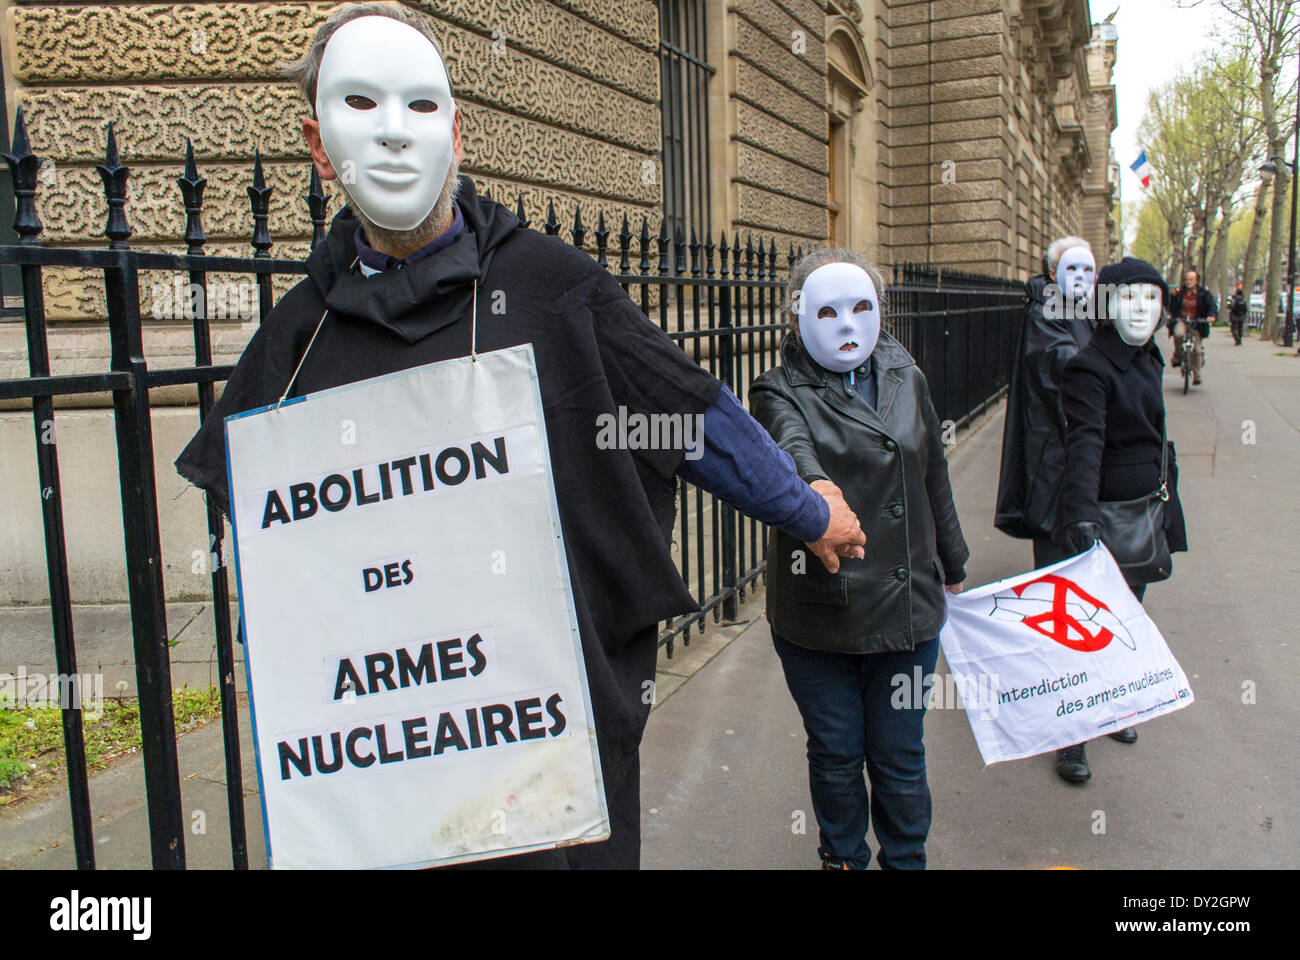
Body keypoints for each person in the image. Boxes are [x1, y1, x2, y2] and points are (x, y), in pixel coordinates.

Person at [174, 3, 868, 869]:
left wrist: (806, 510)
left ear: (456, 133)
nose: (393, 135)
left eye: (420, 108)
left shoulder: (553, 287)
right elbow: (275, 540)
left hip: (547, 731)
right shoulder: (300, 335)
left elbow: (686, 411)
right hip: (389, 764)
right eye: (361, 108)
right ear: (318, 147)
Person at [749, 249, 969, 870]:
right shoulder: (776, 389)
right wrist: (817, 492)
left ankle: (906, 861)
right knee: (838, 756)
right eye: (827, 311)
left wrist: (952, 562)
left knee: (900, 759)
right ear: (796, 320)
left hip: (906, 612)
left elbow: (933, 474)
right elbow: (788, 447)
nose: (847, 325)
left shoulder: (906, 374)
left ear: (880, 311)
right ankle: (842, 858)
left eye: (861, 307)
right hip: (822, 615)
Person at [1054, 257, 1188, 784]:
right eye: (1129, 297)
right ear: (1107, 305)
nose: (1143, 309)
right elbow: (1083, 442)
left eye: (1152, 298)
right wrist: (1083, 517)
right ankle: (1071, 740)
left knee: (1126, 624)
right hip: (1105, 515)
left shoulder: (1148, 357)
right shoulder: (1090, 365)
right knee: (1086, 633)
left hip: (1145, 512)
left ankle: (1112, 710)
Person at [995, 236, 1098, 568]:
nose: (1081, 277)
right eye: (1072, 268)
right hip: (1053, 453)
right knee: (1059, 558)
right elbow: (1065, 366)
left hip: (1073, 448)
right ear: (1054, 273)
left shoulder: (1082, 307)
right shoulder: (1044, 312)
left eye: (1088, 269)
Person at [1167, 268, 1216, 385]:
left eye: (1191, 279)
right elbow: (1170, 305)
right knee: (1178, 334)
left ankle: (1197, 374)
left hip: (1196, 323)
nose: (1189, 282)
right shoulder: (1179, 293)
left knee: (1197, 350)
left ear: (1196, 281)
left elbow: (1212, 306)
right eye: (1187, 279)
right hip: (1182, 321)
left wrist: (1211, 316)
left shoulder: (1204, 294)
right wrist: (1171, 299)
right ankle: (1178, 355)